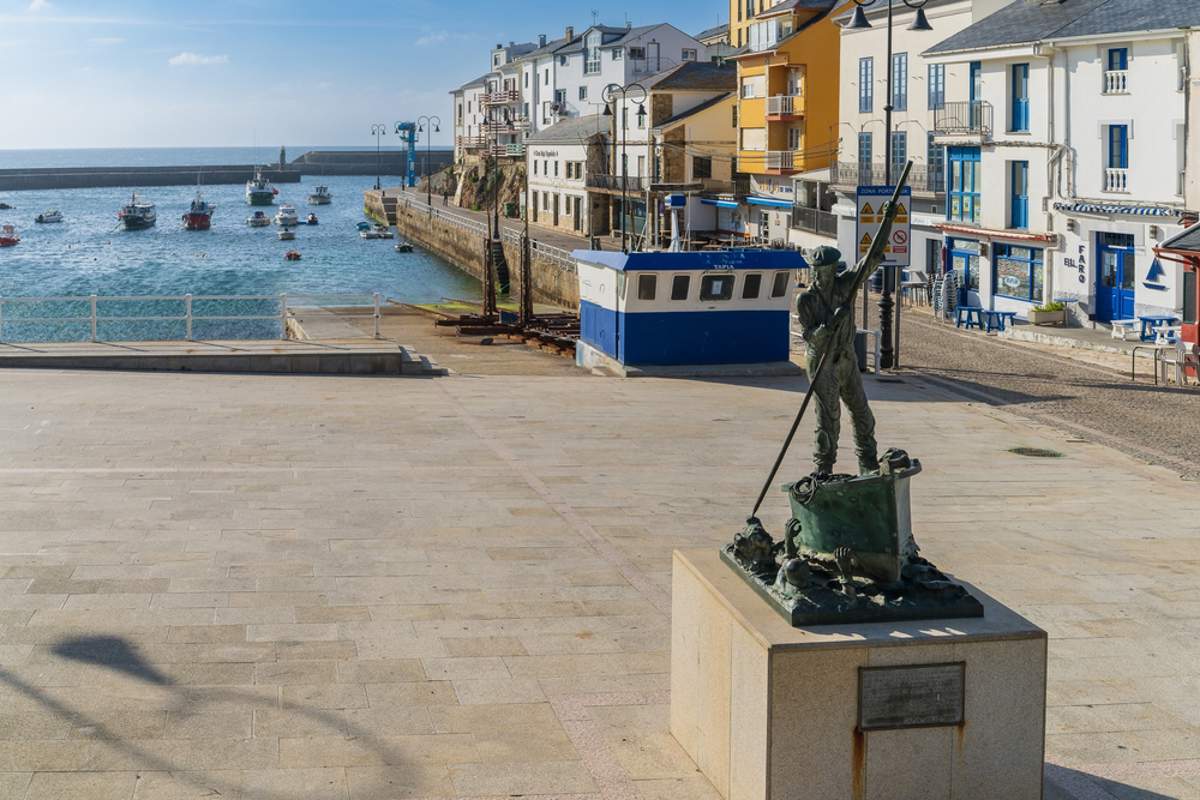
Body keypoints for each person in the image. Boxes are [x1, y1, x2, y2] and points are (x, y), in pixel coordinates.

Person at [795, 243, 887, 475]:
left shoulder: (845, 286)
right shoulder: (807, 299)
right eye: (815, 269)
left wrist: (887, 222)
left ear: (833, 269)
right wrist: (829, 325)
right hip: (822, 363)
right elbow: (809, 336)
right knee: (828, 418)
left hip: (846, 358)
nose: (817, 274)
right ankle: (823, 467)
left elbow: (866, 265)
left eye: (823, 270)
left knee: (861, 410)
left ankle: (868, 462)